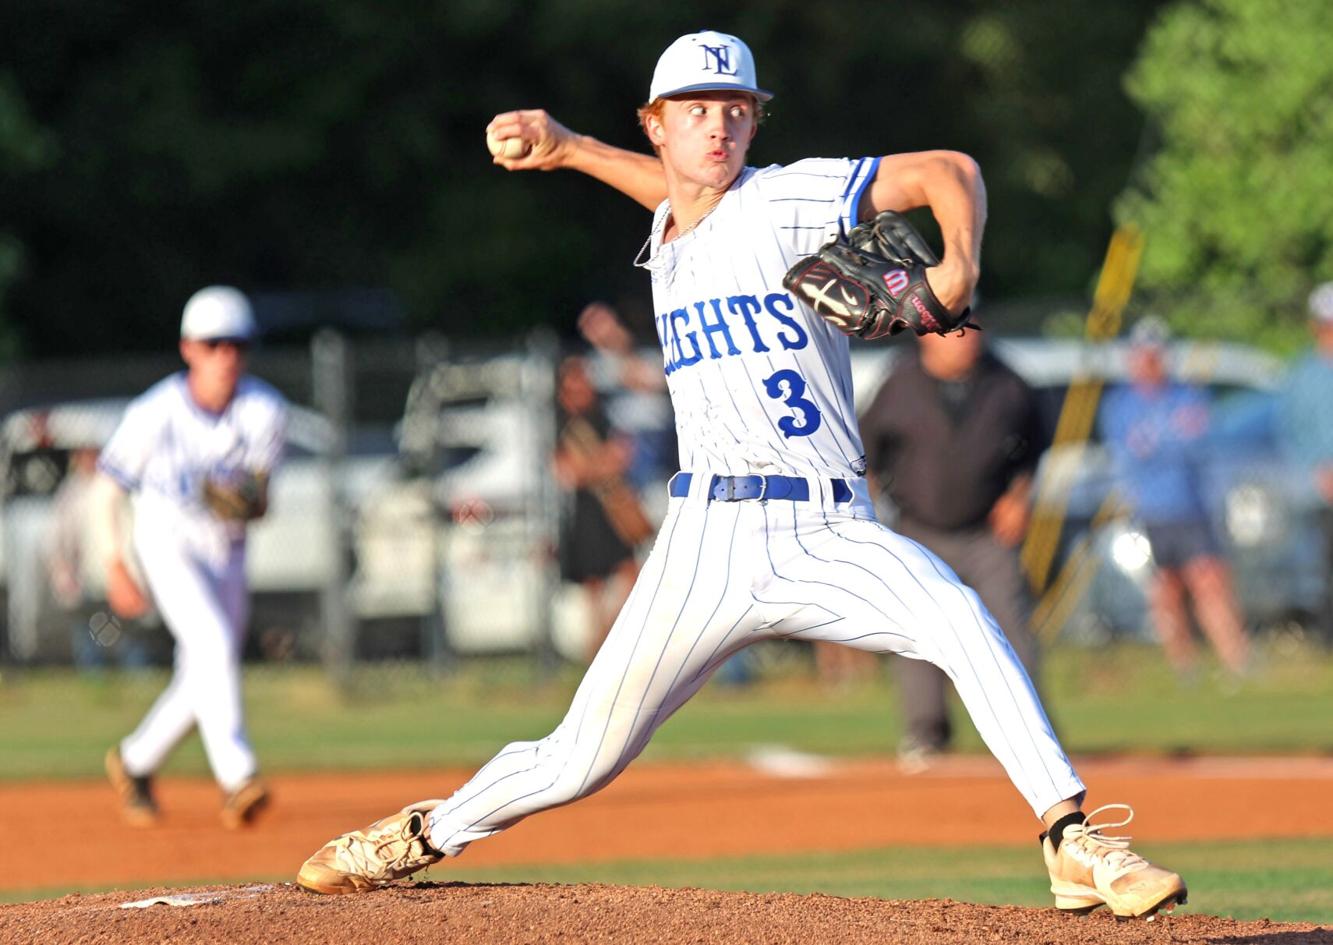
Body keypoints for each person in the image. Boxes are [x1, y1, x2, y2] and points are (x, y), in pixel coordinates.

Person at [298, 30, 1186, 918]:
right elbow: (677, 196)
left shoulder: (788, 196)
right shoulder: (674, 232)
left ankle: (1070, 837)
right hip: (704, 544)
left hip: (825, 528)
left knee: (957, 615)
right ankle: (419, 834)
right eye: (694, 110)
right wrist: (566, 148)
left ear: (756, 122)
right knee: (579, 758)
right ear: (656, 124)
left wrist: (959, 264)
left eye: (736, 109)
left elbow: (948, 168)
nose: (718, 126)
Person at [98, 285, 288, 829]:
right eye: (214, 343)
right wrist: (115, 562)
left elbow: (259, 502)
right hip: (166, 543)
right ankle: (239, 775)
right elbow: (106, 491)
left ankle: (134, 761)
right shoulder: (154, 413)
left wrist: (248, 501)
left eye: (237, 344)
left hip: (227, 551)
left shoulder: (265, 411)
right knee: (212, 644)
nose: (226, 355)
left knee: (206, 668)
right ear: (188, 348)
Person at [860, 323, 1044, 771]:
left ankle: (1031, 738)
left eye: (972, 328)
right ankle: (925, 735)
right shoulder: (899, 384)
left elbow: (1034, 446)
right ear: (927, 336)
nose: (970, 338)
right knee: (918, 635)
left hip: (987, 532)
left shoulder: (1005, 381)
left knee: (1010, 630)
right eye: (956, 330)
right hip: (919, 529)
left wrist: (1018, 498)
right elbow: (866, 451)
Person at [1100, 317, 1250, 679]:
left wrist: (1166, 444)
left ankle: (1237, 660)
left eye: (1156, 355)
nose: (1151, 362)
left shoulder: (1186, 395)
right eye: (1144, 355)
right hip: (1148, 510)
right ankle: (1184, 666)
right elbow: (1132, 453)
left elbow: (1200, 442)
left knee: (1211, 579)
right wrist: (1169, 442)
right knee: (1165, 588)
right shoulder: (1120, 404)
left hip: (1191, 505)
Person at [553, 353, 649, 661]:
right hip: (587, 511)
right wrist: (601, 465)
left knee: (629, 573)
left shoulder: (602, 416)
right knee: (593, 584)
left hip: (612, 508)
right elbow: (568, 473)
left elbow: (622, 455)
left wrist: (595, 466)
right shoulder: (562, 425)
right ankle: (597, 646)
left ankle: (608, 637)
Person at [1274, 281, 1333, 645]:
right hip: (1321, 492)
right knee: (1326, 567)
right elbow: (1292, 433)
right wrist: (1319, 470)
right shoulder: (1301, 375)